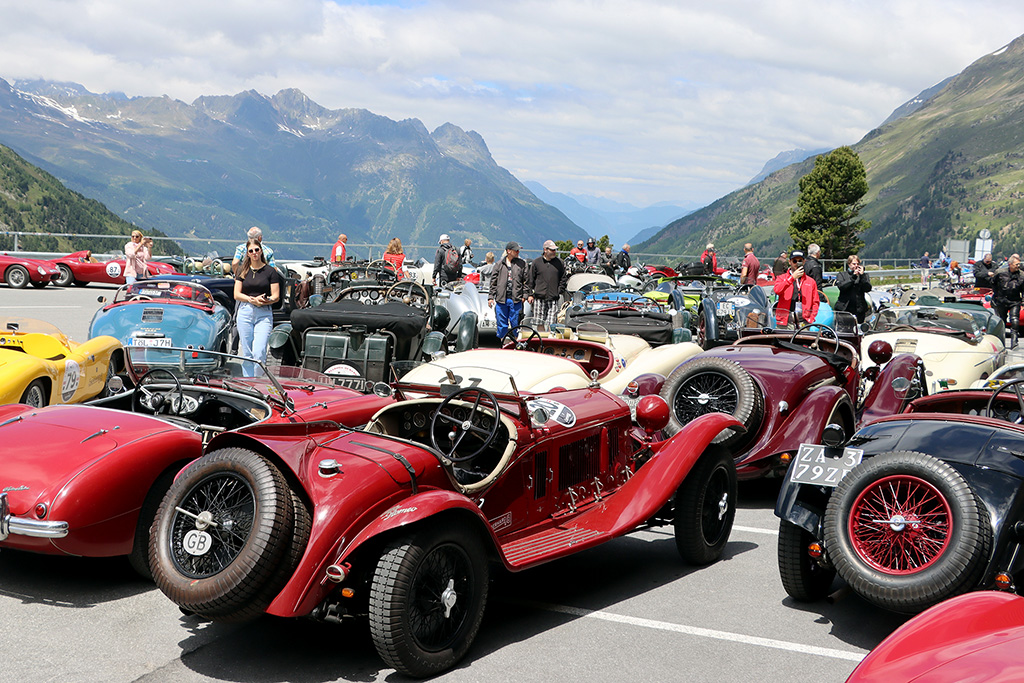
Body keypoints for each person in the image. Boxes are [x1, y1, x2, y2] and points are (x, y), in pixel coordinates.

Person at [233, 237, 281, 377]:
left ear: (261, 251)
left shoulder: (270, 271)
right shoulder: (242, 270)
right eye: (251, 251)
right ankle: (249, 382)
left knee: (259, 352)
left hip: (263, 313)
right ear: (247, 254)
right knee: (247, 354)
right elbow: (236, 294)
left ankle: (258, 381)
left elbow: (276, 296)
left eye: (256, 250)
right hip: (245, 311)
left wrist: (264, 301)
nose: (254, 253)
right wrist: (251, 299)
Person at [488, 241, 527, 340]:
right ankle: (502, 342)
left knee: (516, 324)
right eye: (516, 250)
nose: (518, 252)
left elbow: (527, 281)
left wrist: (525, 296)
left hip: (516, 299)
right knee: (501, 324)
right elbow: (493, 282)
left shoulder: (522, 264)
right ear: (508, 251)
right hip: (501, 299)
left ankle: (517, 343)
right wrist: (491, 297)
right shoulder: (499, 264)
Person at [773, 250, 819, 328]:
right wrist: (792, 278)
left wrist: (811, 318)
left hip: (803, 322)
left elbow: (815, 302)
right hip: (786, 321)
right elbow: (777, 290)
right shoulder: (781, 278)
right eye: (794, 261)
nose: (797, 263)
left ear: (804, 262)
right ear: (790, 262)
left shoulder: (811, 281)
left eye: (800, 261)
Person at [528, 240, 567, 328]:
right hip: (539, 297)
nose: (554, 252)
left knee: (551, 323)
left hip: (553, 298)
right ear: (545, 250)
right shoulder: (536, 262)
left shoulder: (560, 263)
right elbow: (530, 279)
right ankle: (541, 336)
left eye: (555, 250)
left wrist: (559, 291)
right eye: (552, 250)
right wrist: (530, 294)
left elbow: (563, 278)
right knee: (539, 323)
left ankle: (549, 336)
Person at [994, 254, 1024, 347]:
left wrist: (1023, 301)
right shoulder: (1000, 272)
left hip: (1014, 300)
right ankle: (1000, 341)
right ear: (1010, 264)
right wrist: (996, 295)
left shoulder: (1022, 275)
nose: (1018, 266)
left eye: (1019, 264)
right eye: (1016, 264)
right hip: (1002, 300)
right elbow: (993, 283)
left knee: (1014, 319)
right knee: (1001, 320)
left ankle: (1014, 341)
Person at [834, 254, 872, 323]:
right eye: (854, 264)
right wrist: (853, 277)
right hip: (845, 308)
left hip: (859, 308)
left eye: (858, 264)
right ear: (849, 264)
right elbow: (842, 287)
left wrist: (862, 276)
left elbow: (868, 288)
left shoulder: (864, 276)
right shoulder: (842, 275)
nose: (856, 266)